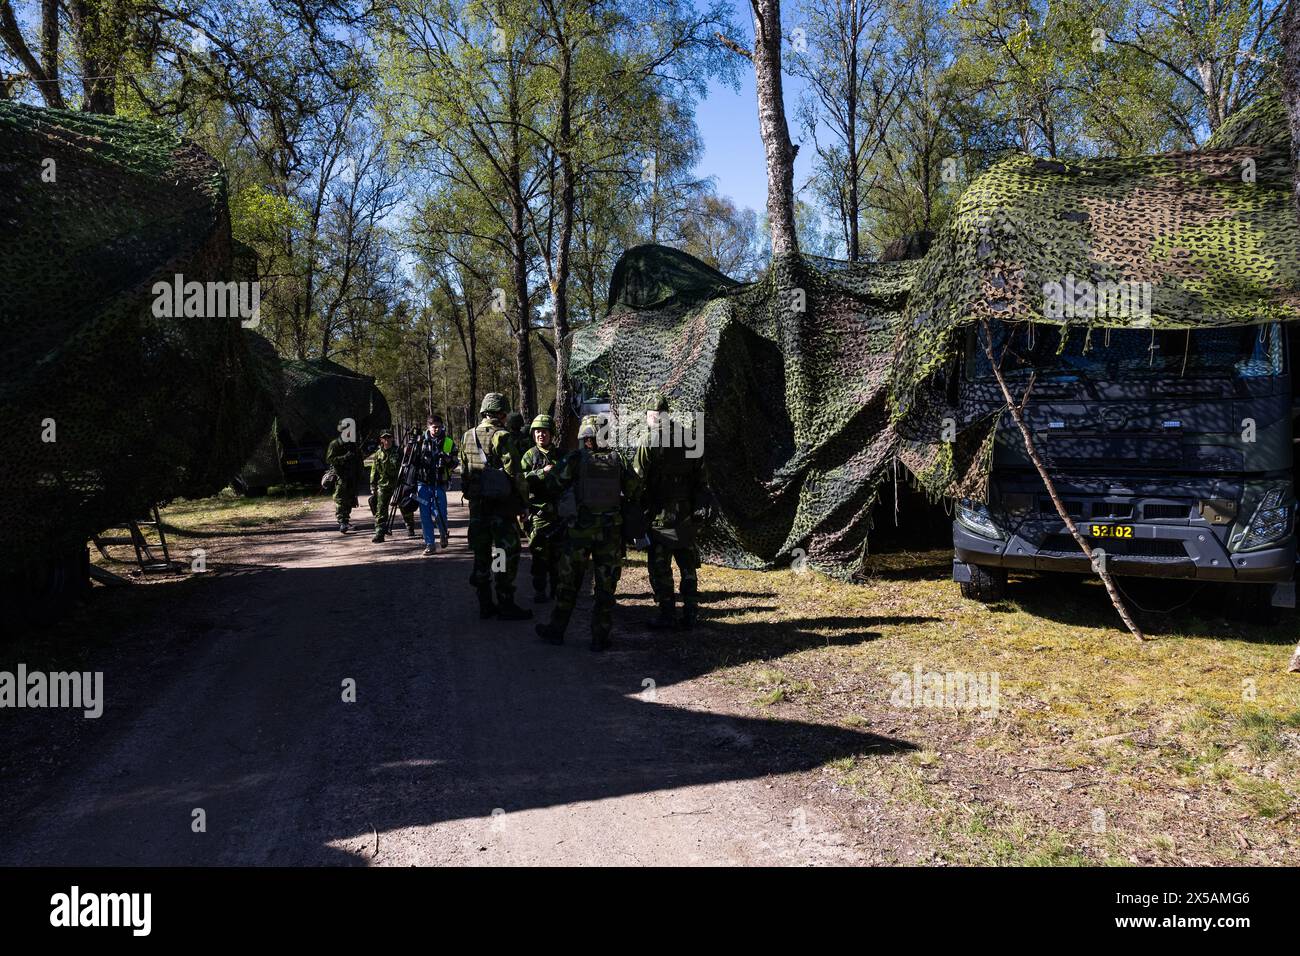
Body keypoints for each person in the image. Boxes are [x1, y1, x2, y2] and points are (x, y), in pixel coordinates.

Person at [536, 414, 640, 652]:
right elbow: (635, 489)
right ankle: (599, 637)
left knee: (568, 583)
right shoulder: (619, 459)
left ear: (587, 437)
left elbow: (552, 484)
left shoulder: (575, 459)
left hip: (579, 533)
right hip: (610, 535)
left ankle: (556, 631)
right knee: (605, 587)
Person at [634, 393, 706, 629]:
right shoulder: (690, 438)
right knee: (687, 566)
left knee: (660, 568)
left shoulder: (649, 440)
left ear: (650, 415)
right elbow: (701, 478)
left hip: (659, 517)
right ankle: (691, 613)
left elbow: (637, 480)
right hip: (685, 515)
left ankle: (667, 614)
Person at [459, 393, 531, 620]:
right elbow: (515, 472)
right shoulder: (502, 436)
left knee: (481, 553)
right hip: (500, 508)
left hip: (478, 507)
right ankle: (505, 603)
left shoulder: (467, 435)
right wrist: (524, 502)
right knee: (502, 553)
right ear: (501, 414)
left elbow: (464, 472)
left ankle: (485, 603)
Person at [521, 414, 563, 603]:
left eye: (544, 431)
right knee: (539, 554)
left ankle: (557, 589)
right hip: (538, 514)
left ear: (551, 434)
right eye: (538, 431)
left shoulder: (561, 455)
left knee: (558, 556)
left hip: (559, 514)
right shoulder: (530, 455)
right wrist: (540, 473)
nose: (541, 435)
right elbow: (520, 480)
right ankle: (540, 590)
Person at [412, 415, 457, 555]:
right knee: (425, 513)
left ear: (442, 426)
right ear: (428, 427)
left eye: (438, 426)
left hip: (439, 484)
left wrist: (447, 459)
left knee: (440, 513)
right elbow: (411, 461)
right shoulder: (420, 441)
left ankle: (443, 533)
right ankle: (430, 544)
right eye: (433, 427)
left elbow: (455, 463)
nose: (436, 429)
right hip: (422, 484)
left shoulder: (448, 442)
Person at [325, 423, 363, 534]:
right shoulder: (335, 444)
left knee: (350, 500)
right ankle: (342, 521)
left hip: (352, 476)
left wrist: (359, 472)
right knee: (341, 499)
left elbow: (358, 460)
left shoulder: (353, 444)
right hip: (340, 476)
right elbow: (330, 459)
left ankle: (346, 520)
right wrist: (344, 457)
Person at [368, 430, 401, 543]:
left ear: (392, 438)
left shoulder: (398, 451)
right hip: (383, 485)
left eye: (389, 437)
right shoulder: (378, 454)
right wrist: (373, 486)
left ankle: (410, 527)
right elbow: (374, 470)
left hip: (398, 484)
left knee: (405, 506)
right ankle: (379, 533)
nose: (386, 440)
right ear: (381, 440)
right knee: (381, 510)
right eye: (384, 438)